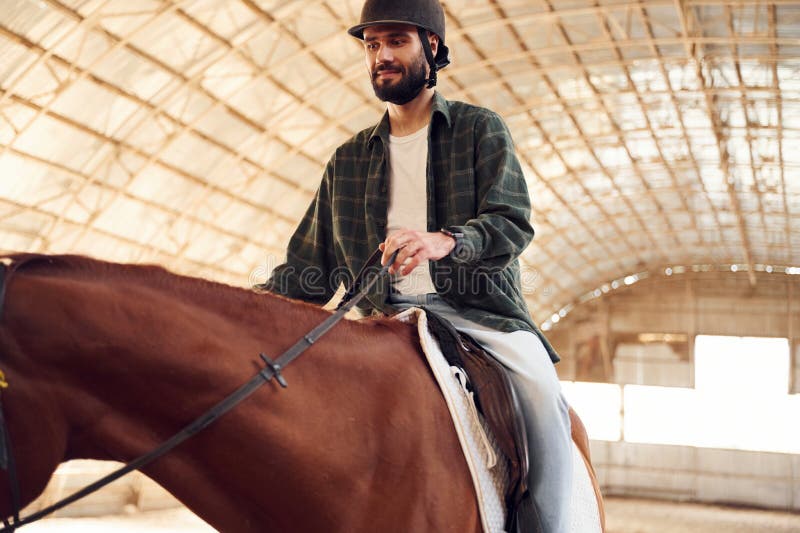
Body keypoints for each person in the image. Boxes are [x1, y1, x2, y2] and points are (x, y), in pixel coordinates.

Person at [259, 0, 572, 530]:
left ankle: (552, 524)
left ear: (431, 46)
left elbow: (512, 222)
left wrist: (446, 242)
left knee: (542, 394)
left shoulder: (480, 130)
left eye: (396, 41)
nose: (381, 55)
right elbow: (306, 267)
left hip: (478, 314)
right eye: (371, 44)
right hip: (382, 321)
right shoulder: (348, 160)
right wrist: (241, 308)